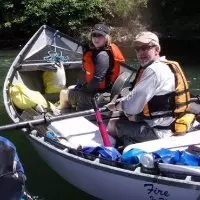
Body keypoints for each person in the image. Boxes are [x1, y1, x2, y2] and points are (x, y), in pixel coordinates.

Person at [106, 31, 195, 146]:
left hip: (159, 132)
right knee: (130, 118)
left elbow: (133, 107)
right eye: (137, 49)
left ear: (157, 49)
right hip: (174, 124)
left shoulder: (153, 70)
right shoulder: (168, 65)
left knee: (113, 124)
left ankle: (125, 152)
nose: (140, 53)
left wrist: (116, 105)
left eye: (145, 48)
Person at [57, 23, 125, 111]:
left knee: (63, 93)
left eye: (100, 35)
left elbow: (97, 79)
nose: (96, 38)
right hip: (102, 90)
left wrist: (84, 90)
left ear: (106, 38)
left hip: (97, 95)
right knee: (70, 88)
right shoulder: (102, 52)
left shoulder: (102, 56)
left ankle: (59, 114)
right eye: (94, 35)